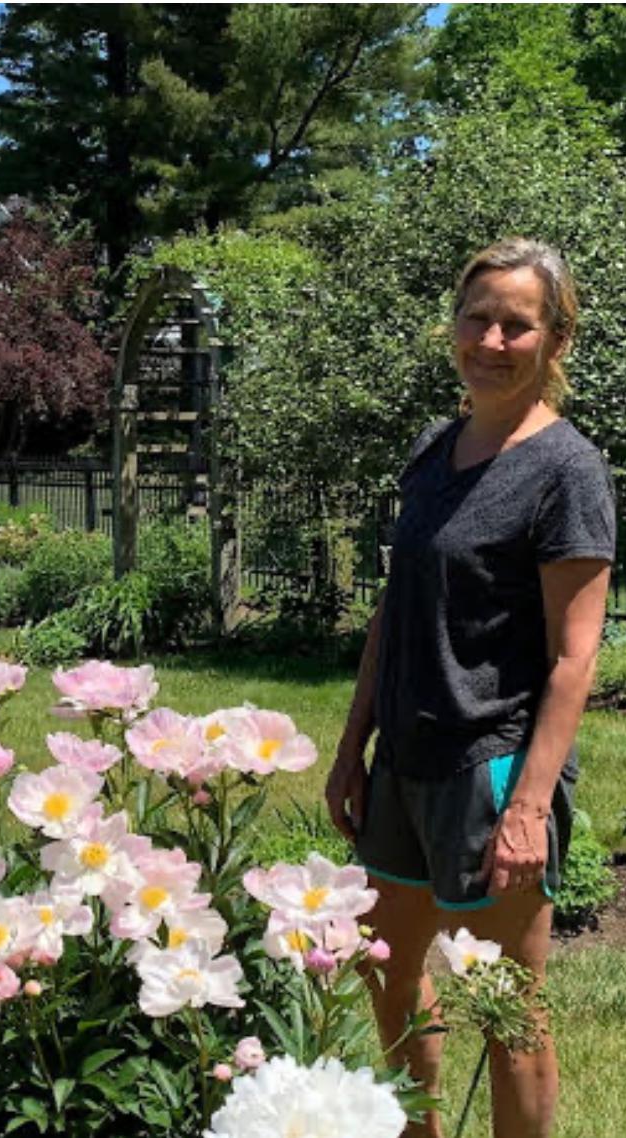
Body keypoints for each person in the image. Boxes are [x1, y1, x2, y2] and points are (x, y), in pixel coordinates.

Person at [326, 239, 616, 1138]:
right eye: (476, 318)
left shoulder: (567, 472)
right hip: (403, 760)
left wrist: (529, 807)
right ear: (453, 327)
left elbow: (575, 658)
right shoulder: (434, 448)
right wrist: (350, 747)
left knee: (505, 1011)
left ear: (555, 339)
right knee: (391, 978)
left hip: (489, 768)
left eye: (516, 324)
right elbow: (395, 611)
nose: (491, 338)